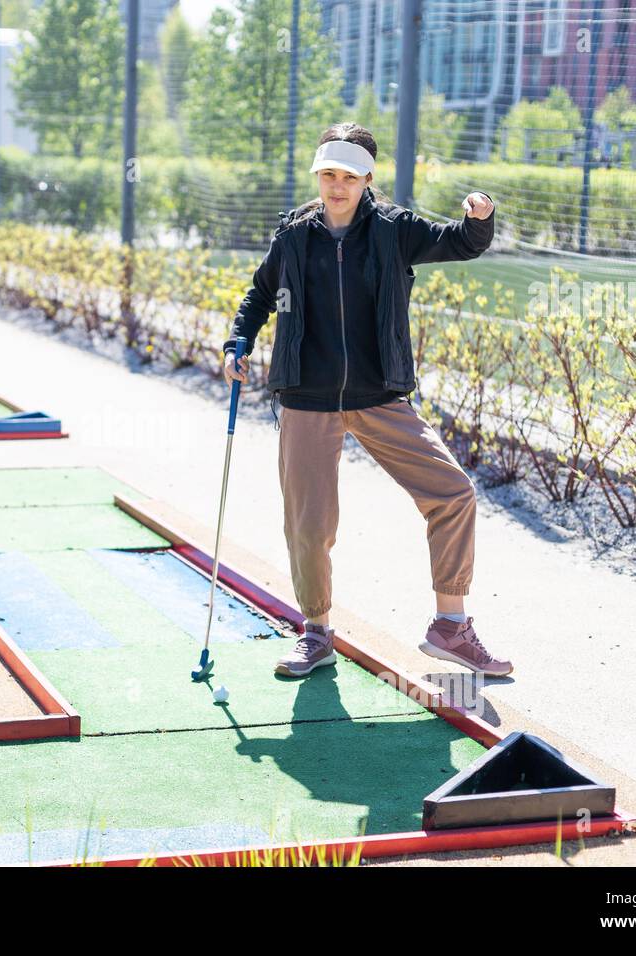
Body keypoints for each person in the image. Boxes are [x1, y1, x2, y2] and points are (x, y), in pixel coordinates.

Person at [221, 122, 512, 680]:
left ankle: (450, 627)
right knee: (309, 525)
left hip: (380, 395)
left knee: (453, 493)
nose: (336, 186)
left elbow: (460, 242)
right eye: (328, 174)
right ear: (318, 176)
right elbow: (260, 294)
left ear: (367, 179)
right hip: (307, 397)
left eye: (348, 176)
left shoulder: (394, 230)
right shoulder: (293, 237)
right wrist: (240, 340)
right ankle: (316, 633)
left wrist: (480, 219)